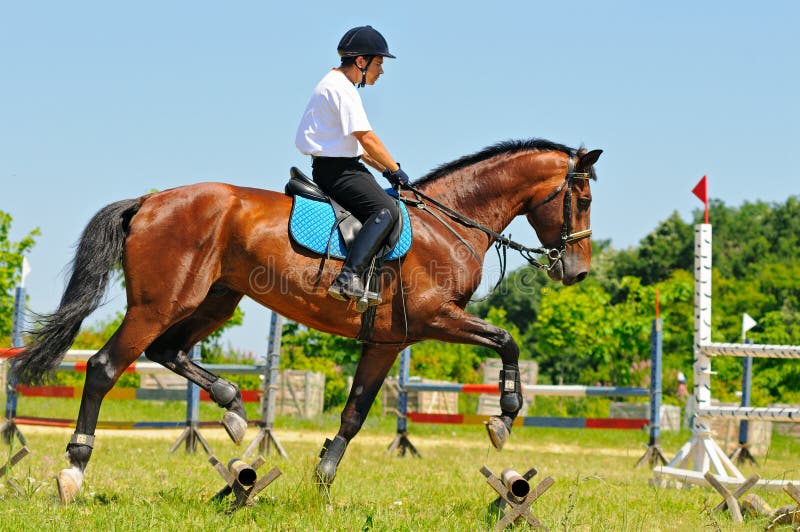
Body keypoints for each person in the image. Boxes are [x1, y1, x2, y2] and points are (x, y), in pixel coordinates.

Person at [295, 25, 409, 307]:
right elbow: (367, 138)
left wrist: (385, 170)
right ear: (361, 61)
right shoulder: (342, 89)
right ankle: (349, 276)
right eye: (379, 63)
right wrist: (394, 168)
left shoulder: (335, 85)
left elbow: (355, 147)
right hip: (338, 172)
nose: (380, 71)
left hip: (343, 166)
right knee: (385, 210)